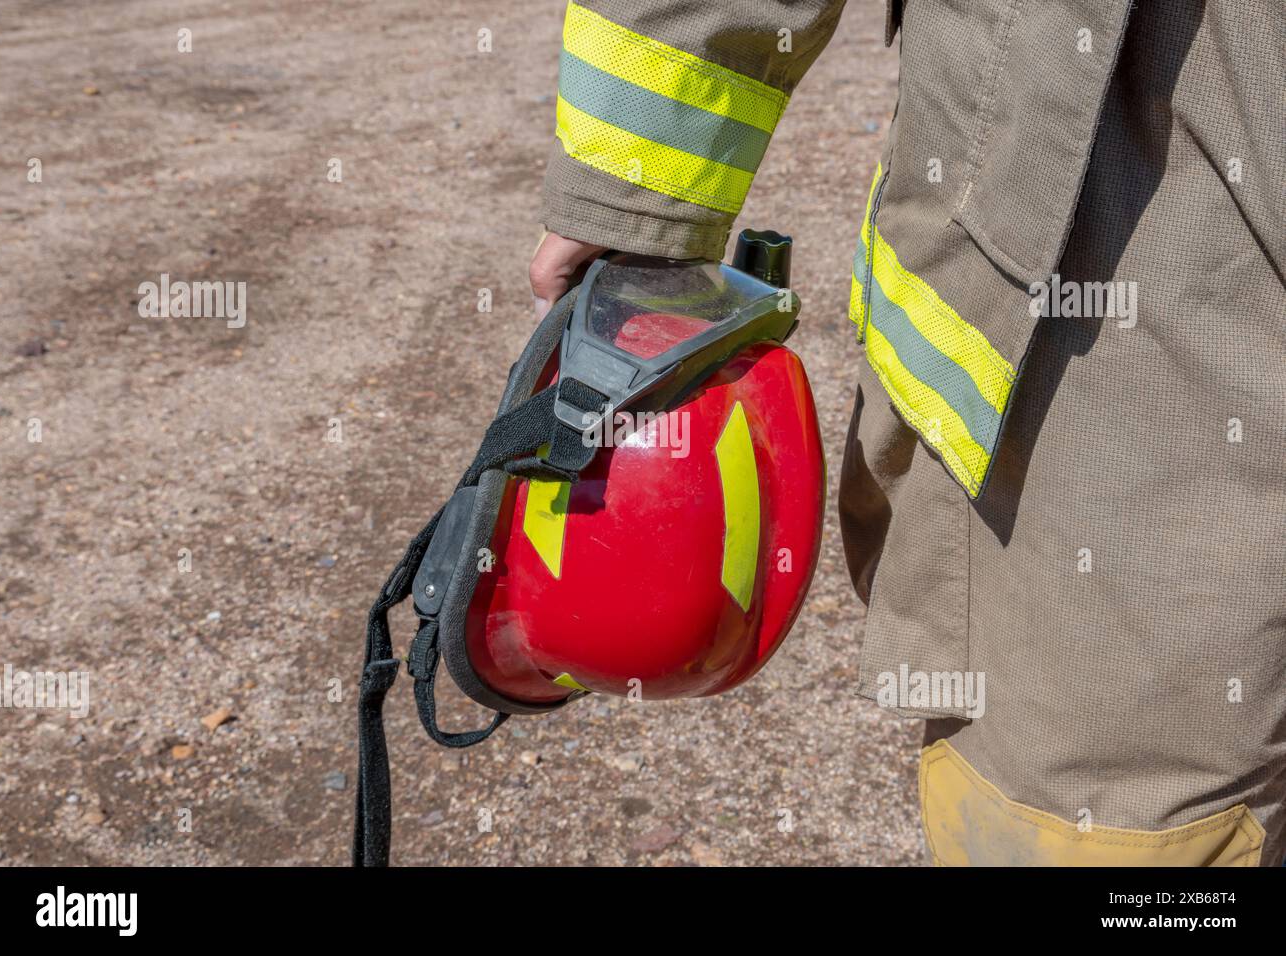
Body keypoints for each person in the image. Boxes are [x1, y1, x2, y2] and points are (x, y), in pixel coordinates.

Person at [528, 0, 1286, 866]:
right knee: (1129, 791)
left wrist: (626, 194)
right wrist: (633, 185)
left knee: (1117, 791)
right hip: (1138, 265)